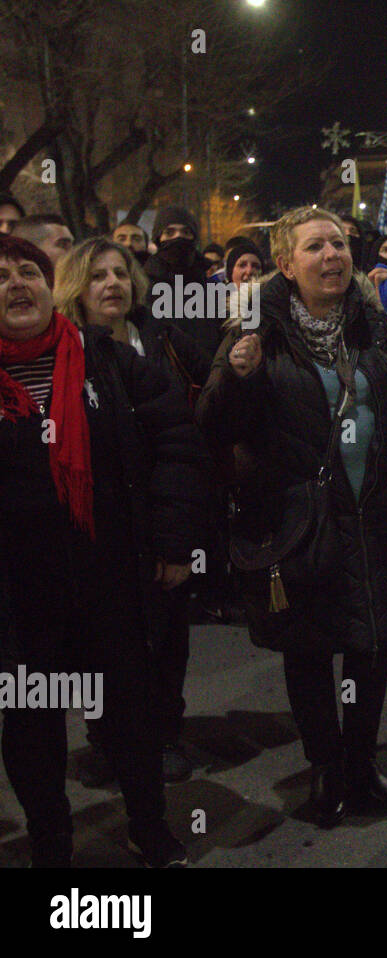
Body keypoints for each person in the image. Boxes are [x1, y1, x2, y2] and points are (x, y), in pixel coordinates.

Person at [196, 207, 387, 829]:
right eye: (315, 248)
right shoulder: (255, 331)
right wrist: (239, 380)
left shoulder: (377, 325)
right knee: (309, 651)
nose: (332, 256)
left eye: (338, 244)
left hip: (374, 518)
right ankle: (325, 766)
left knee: (371, 648)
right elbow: (215, 428)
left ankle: (361, 763)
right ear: (285, 264)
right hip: (299, 525)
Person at [1, 234, 210, 866]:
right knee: (32, 722)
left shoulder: (106, 359)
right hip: (18, 591)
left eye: (28, 272)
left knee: (131, 711)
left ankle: (148, 824)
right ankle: (50, 840)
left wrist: (175, 541)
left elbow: (176, 440)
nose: (16, 283)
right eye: (1, 275)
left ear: (48, 286)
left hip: (109, 576)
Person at [53, 237, 211, 784]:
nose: (112, 284)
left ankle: (164, 734)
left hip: (161, 512)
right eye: (97, 276)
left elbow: (193, 424)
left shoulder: (161, 340)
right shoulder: (60, 351)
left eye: (120, 273)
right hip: (95, 525)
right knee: (100, 640)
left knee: (167, 636)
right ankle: (106, 738)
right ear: (76, 286)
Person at [144, 206, 226, 360]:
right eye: (170, 232)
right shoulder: (144, 287)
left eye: (186, 232)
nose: (178, 238)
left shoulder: (213, 290)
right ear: (158, 238)